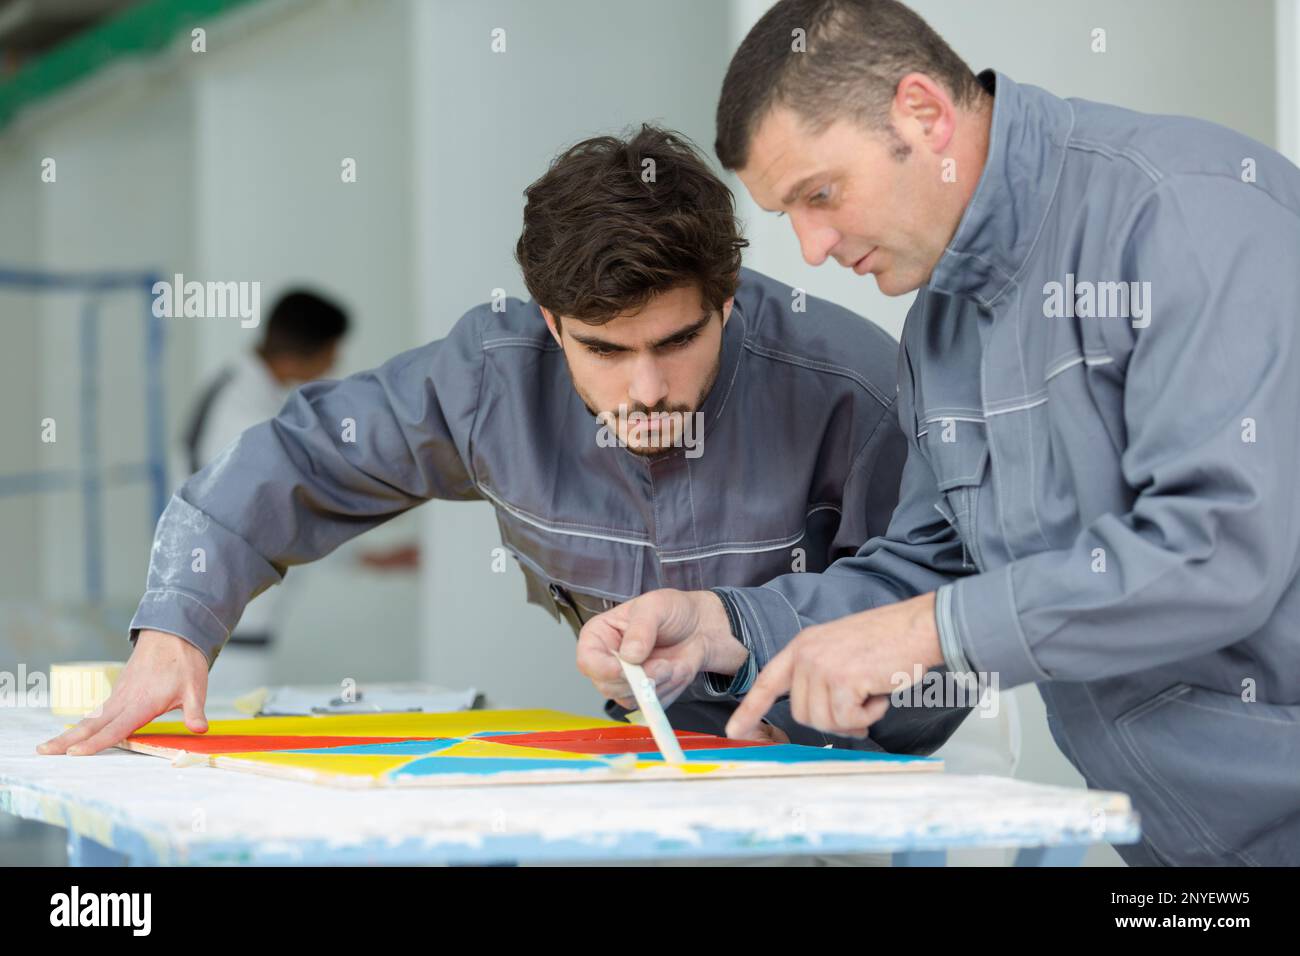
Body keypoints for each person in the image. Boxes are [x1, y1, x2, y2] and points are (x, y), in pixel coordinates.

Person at [577, 0, 1300, 866]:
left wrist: (933, 631)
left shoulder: (1184, 214)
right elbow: (929, 569)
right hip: (1180, 857)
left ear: (923, 113)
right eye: (789, 214)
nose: (811, 247)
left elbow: (1218, 551)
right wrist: (726, 626)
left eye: (820, 194)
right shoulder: (943, 328)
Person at [38, 124, 968, 763]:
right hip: (639, 761)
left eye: (679, 341)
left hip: (841, 775)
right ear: (551, 323)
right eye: (604, 350)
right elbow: (297, 456)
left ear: (729, 298)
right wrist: (176, 625)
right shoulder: (489, 378)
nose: (646, 390)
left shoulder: (859, 389)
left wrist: (754, 649)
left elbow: (938, 604)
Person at [180, 289, 349, 695]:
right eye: (332, 350)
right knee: (224, 730)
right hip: (228, 620)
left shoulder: (242, 391)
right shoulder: (246, 414)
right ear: (301, 354)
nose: (336, 362)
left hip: (232, 613)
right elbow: (287, 508)